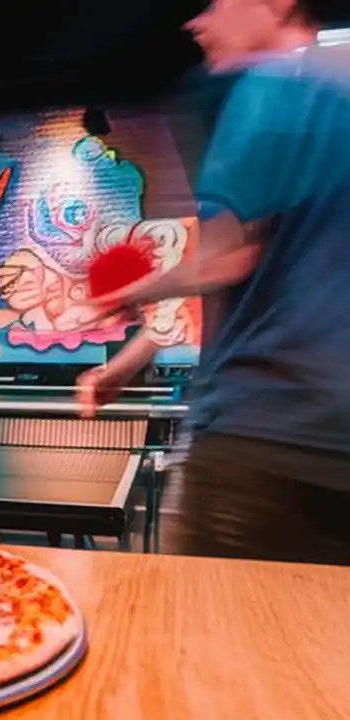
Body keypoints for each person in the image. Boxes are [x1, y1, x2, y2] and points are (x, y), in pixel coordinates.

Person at [80, 0, 350, 564]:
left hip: (261, 439)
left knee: (212, 644)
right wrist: (120, 370)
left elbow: (225, 262)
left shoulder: (266, 93)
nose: (196, 23)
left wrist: (127, 293)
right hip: (332, 443)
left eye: (217, 3)